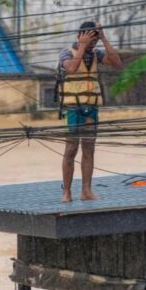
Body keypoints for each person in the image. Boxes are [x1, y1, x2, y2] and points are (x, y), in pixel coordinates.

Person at [58, 21, 122, 202]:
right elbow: (70, 68)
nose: (92, 45)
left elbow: (117, 63)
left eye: (95, 41)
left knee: (89, 148)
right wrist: (82, 46)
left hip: (91, 107)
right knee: (71, 148)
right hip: (72, 108)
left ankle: (86, 190)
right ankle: (67, 192)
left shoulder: (96, 54)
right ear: (80, 36)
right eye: (90, 40)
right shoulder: (66, 52)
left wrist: (103, 38)